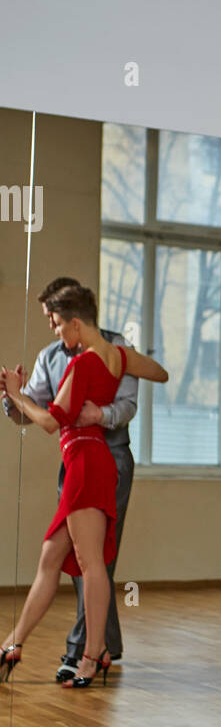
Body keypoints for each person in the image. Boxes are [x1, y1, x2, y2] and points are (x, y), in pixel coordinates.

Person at [0, 284, 168, 689]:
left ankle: (93, 655)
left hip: (86, 465)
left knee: (91, 563)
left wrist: (15, 394)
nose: (57, 333)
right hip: (88, 461)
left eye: (58, 325)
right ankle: (11, 645)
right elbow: (160, 373)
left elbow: (50, 422)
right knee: (50, 560)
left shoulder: (83, 365)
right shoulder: (119, 357)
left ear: (76, 322)